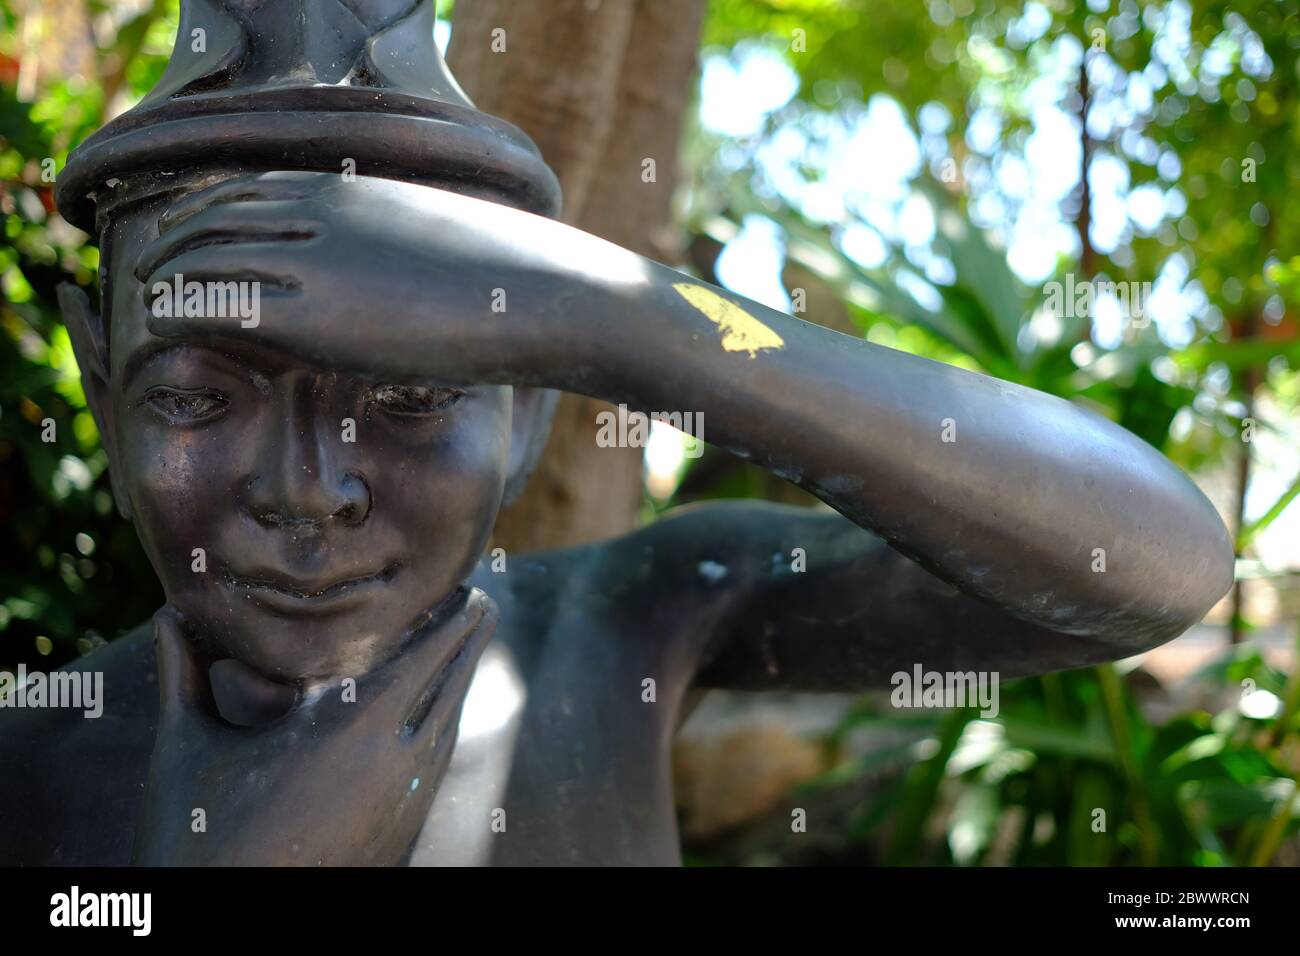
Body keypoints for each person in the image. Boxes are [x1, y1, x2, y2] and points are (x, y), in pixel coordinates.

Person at [0, 1, 1234, 866]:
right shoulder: (29, 753)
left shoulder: (630, 619)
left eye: (420, 393)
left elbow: (1151, 567)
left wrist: (625, 315)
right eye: (199, 397)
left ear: (534, 400)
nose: (309, 489)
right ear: (104, 399)